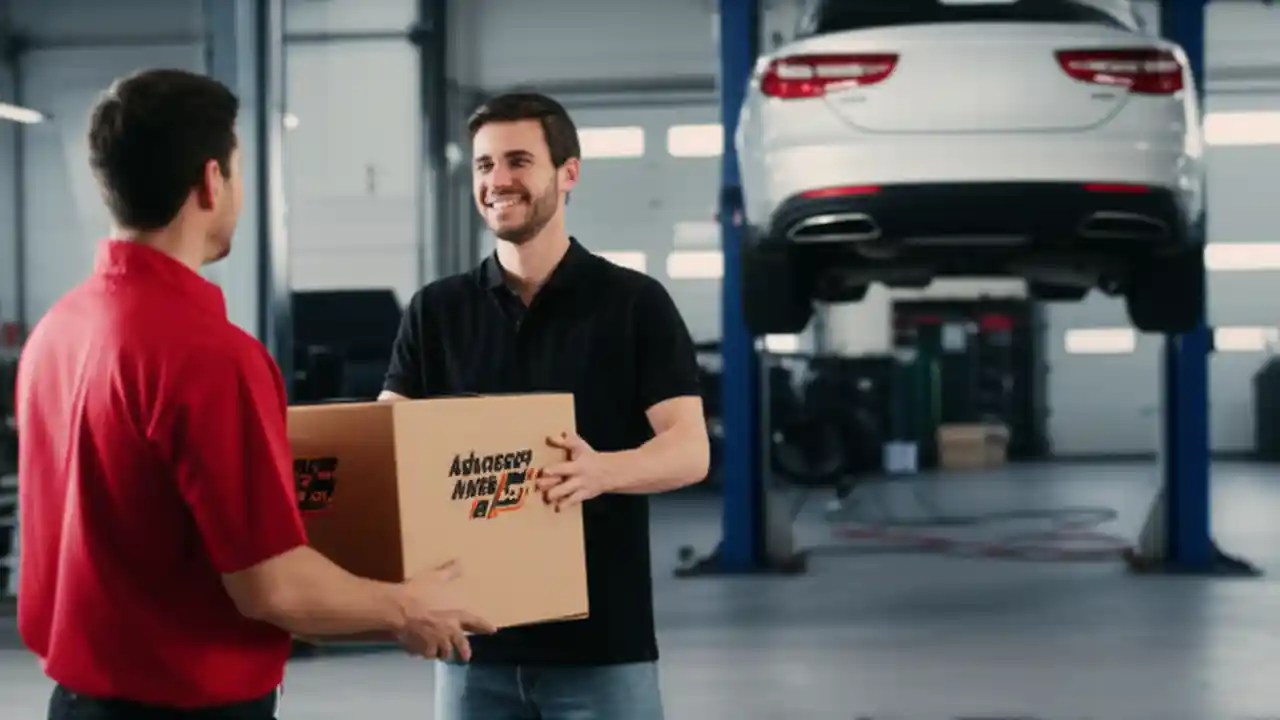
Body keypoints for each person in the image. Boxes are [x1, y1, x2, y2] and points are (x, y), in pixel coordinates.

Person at [14, 68, 495, 720]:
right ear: (212, 181)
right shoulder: (210, 356)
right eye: (237, 170)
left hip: (74, 702)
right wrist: (407, 604)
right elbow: (272, 586)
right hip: (184, 706)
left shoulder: (56, 330)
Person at [378, 91, 711, 719]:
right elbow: (384, 441)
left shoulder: (633, 304)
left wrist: (601, 471)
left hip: (602, 651)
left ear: (568, 172)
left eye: (518, 161)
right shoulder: (436, 311)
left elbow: (689, 450)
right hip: (472, 648)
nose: (497, 181)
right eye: (483, 166)